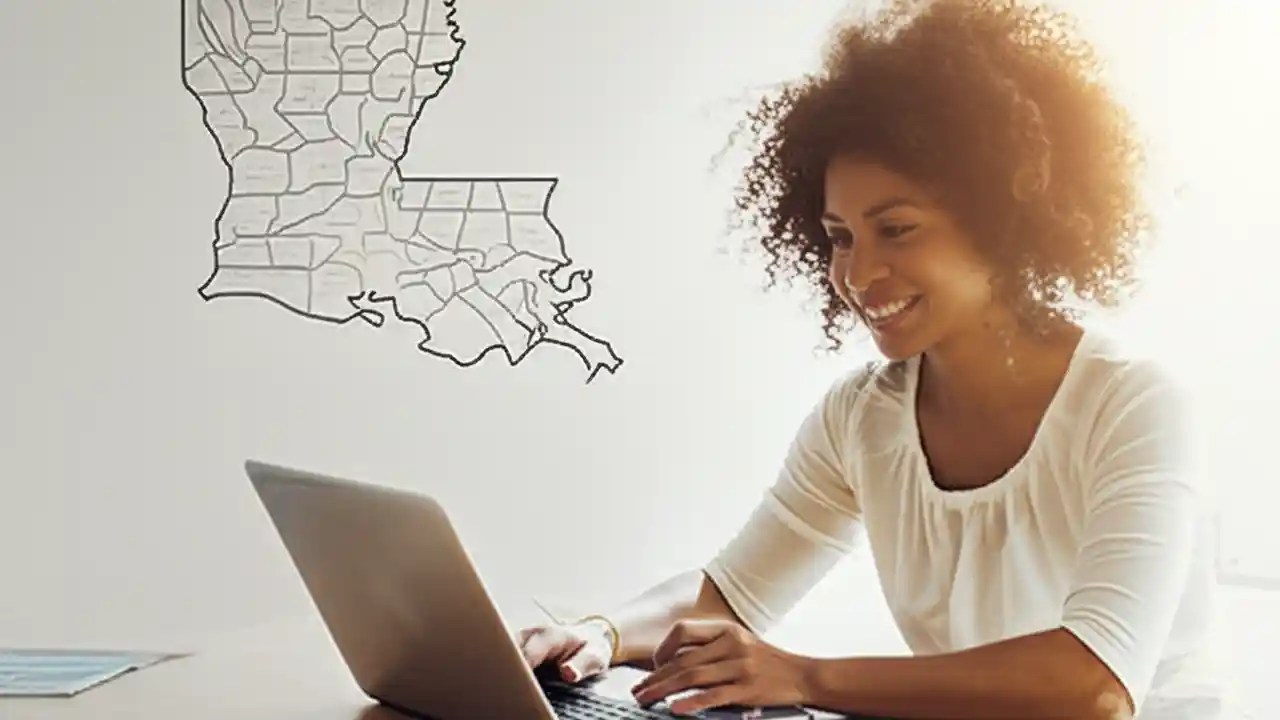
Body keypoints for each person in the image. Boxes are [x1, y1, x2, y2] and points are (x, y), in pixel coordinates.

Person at [517, 1, 1234, 717]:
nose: (858, 276)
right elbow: (731, 595)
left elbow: (1096, 688)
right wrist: (599, 634)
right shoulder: (863, 417)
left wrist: (804, 677)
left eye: (896, 229)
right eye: (839, 237)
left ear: (1001, 221)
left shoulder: (1134, 406)